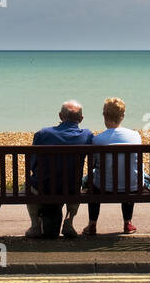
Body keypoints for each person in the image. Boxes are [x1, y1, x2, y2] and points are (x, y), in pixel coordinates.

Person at [25, 100, 92, 239]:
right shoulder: (87, 136)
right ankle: (69, 222)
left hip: (44, 187)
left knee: (28, 185)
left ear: (61, 116)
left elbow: (32, 164)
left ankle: (35, 226)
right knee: (76, 183)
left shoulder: (43, 134)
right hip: (71, 189)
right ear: (81, 119)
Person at [82, 97, 142, 236]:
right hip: (130, 187)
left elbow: (94, 164)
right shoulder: (135, 137)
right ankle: (127, 222)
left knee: (90, 181)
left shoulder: (98, 140)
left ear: (104, 115)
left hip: (103, 187)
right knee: (130, 176)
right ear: (122, 116)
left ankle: (92, 223)